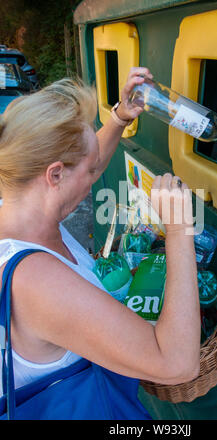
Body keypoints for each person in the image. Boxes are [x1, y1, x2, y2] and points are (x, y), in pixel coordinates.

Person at [0, 67, 200, 403]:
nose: (95, 174)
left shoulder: (19, 197)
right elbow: (177, 364)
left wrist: (120, 118)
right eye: (90, 169)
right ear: (54, 175)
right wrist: (179, 229)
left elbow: (84, 165)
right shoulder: (37, 282)